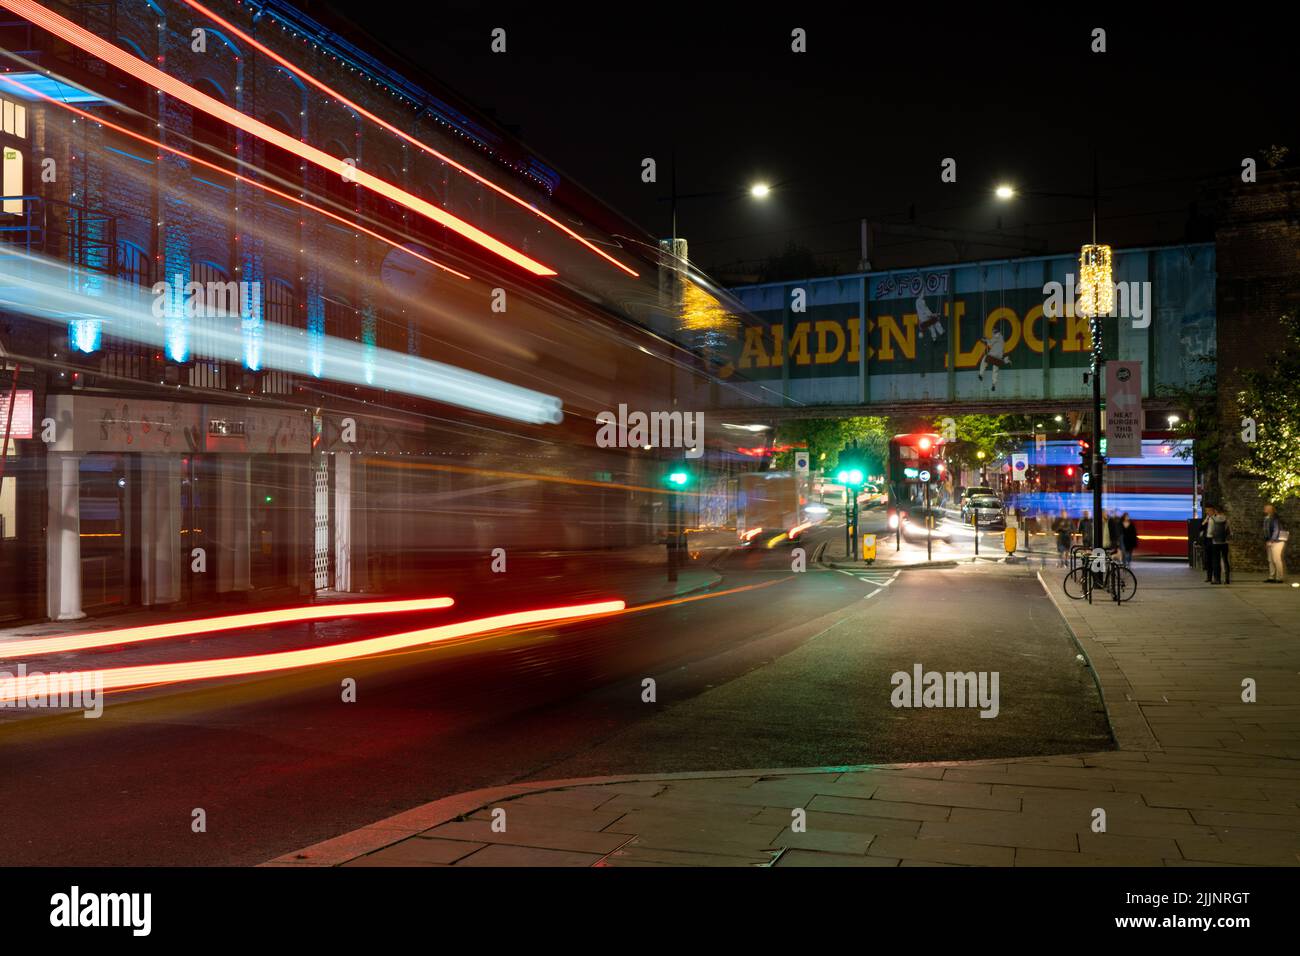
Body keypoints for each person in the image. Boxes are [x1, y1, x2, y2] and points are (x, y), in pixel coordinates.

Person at [1207, 505, 1231, 584]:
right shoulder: (1227, 519)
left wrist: (1210, 537)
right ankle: (1227, 578)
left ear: (1216, 511)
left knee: (1216, 561)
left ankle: (1217, 579)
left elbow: (1210, 533)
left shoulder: (1212, 519)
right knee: (1225, 560)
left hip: (1215, 542)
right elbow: (1229, 530)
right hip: (1225, 542)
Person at [1263, 503, 1287, 583]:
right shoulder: (1266, 518)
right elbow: (1266, 531)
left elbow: (1276, 530)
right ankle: (1271, 577)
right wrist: (1267, 541)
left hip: (1277, 541)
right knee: (1270, 560)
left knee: (1276, 559)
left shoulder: (1274, 518)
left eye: (1266, 507)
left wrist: (1271, 540)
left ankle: (1279, 578)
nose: (1264, 508)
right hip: (1269, 541)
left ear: (1270, 509)